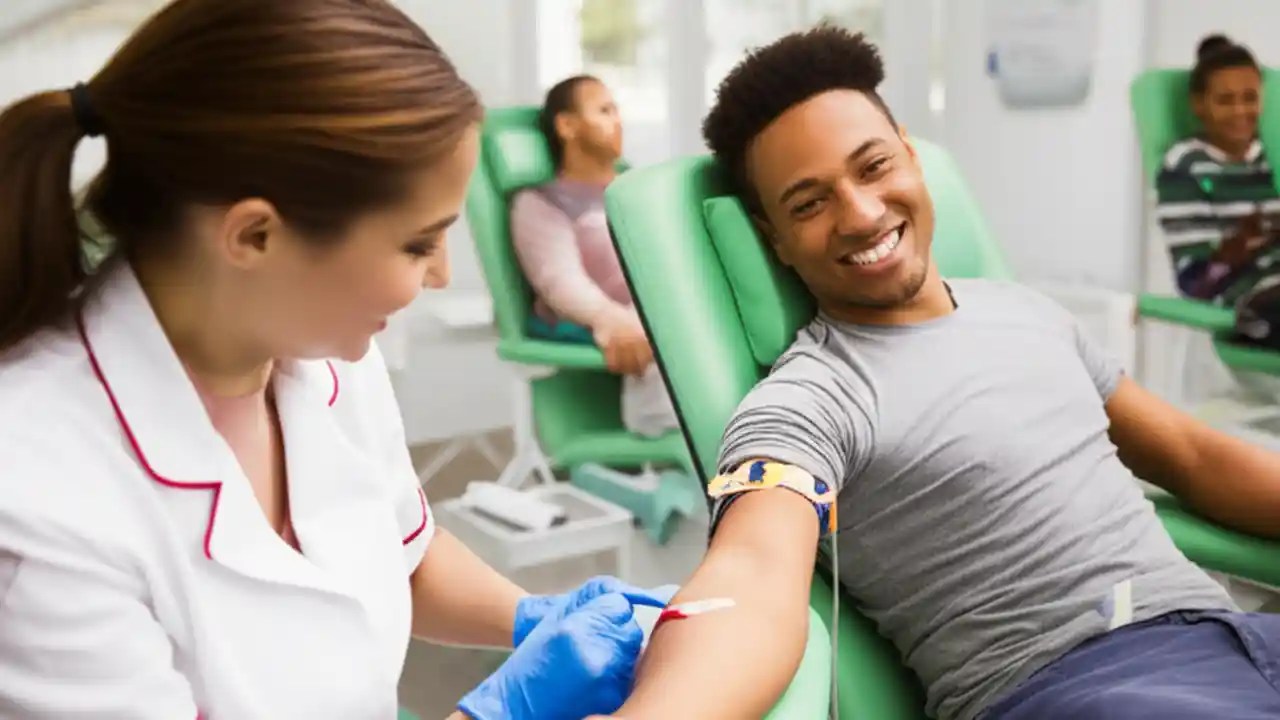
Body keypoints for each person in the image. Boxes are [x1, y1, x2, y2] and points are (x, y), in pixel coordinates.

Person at [0, 2, 671, 719]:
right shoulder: (37, 503)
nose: (441, 274)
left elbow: (401, 556)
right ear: (256, 235)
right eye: (417, 244)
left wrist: (534, 616)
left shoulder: (323, 354)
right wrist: (503, 711)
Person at [612, 27, 1280, 720]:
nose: (862, 215)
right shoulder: (810, 398)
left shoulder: (1028, 312)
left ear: (908, 151)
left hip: (1237, 638)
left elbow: (1194, 457)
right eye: (809, 204)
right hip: (1088, 687)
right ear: (774, 236)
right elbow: (749, 574)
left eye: (872, 167)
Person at [510, 75, 678, 438]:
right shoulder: (542, 202)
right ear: (567, 125)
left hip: (662, 313)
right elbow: (559, 281)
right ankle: (657, 419)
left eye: (616, 110)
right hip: (620, 325)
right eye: (604, 110)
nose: (618, 120)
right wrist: (613, 321)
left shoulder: (636, 191)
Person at [1156, 34, 1280, 305]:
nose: (1239, 111)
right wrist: (1234, 249)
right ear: (1199, 105)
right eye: (1225, 100)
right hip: (1241, 288)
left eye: (1250, 98)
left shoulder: (1272, 152)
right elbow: (1195, 281)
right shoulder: (1184, 166)